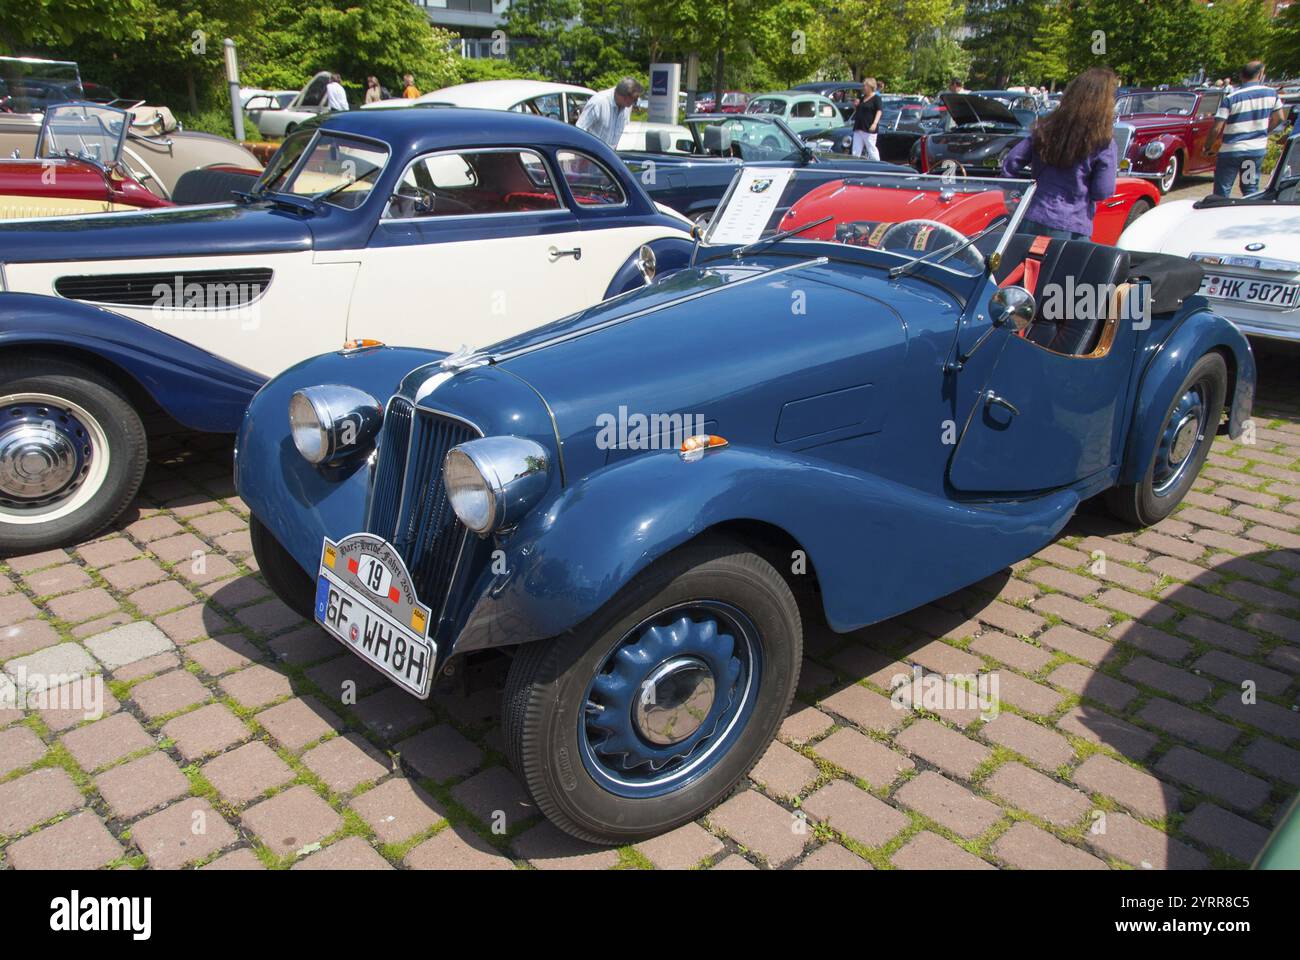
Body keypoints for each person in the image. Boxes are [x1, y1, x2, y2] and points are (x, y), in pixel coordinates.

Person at [1000, 66, 1119, 240]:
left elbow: (1011, 162)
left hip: (1032, 215)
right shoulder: (1103, 143)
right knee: (1066, 268)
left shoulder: (1045, 129)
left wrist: (1010, 199)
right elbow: (1102, 191)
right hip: (1071, 225)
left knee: (1024, 266)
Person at [1206, 60, 1285, 198]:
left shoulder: (1232, 98)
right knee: (1249, 188)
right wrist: (1264, 132)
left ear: (1242, 76)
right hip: (1254, 150)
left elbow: (1216, 128)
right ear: (1261, 74)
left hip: (1232, 150)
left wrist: (1208, 147)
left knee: (1222, 190)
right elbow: (1279, 118)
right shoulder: (1271, 94)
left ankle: (1219, 214)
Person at [575, 77, 643, 148]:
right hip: (592, 155)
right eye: (634, 99)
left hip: (611, 155)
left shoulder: (627, 106)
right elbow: (579, 130)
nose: (635, 103)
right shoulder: (598, 102)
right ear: (624, 97)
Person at [851, 78, 882, 160]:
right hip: (859, 127)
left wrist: (875, 123)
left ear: (870, 87)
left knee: (871, 149)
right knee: (855, 151)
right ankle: (854, 167)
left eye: (865, 86)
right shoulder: (862, 98)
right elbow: (857, 111)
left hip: (868, 127)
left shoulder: (876, 98)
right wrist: (856, 105)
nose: (863, 88)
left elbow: (879, 111)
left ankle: (877, 165)